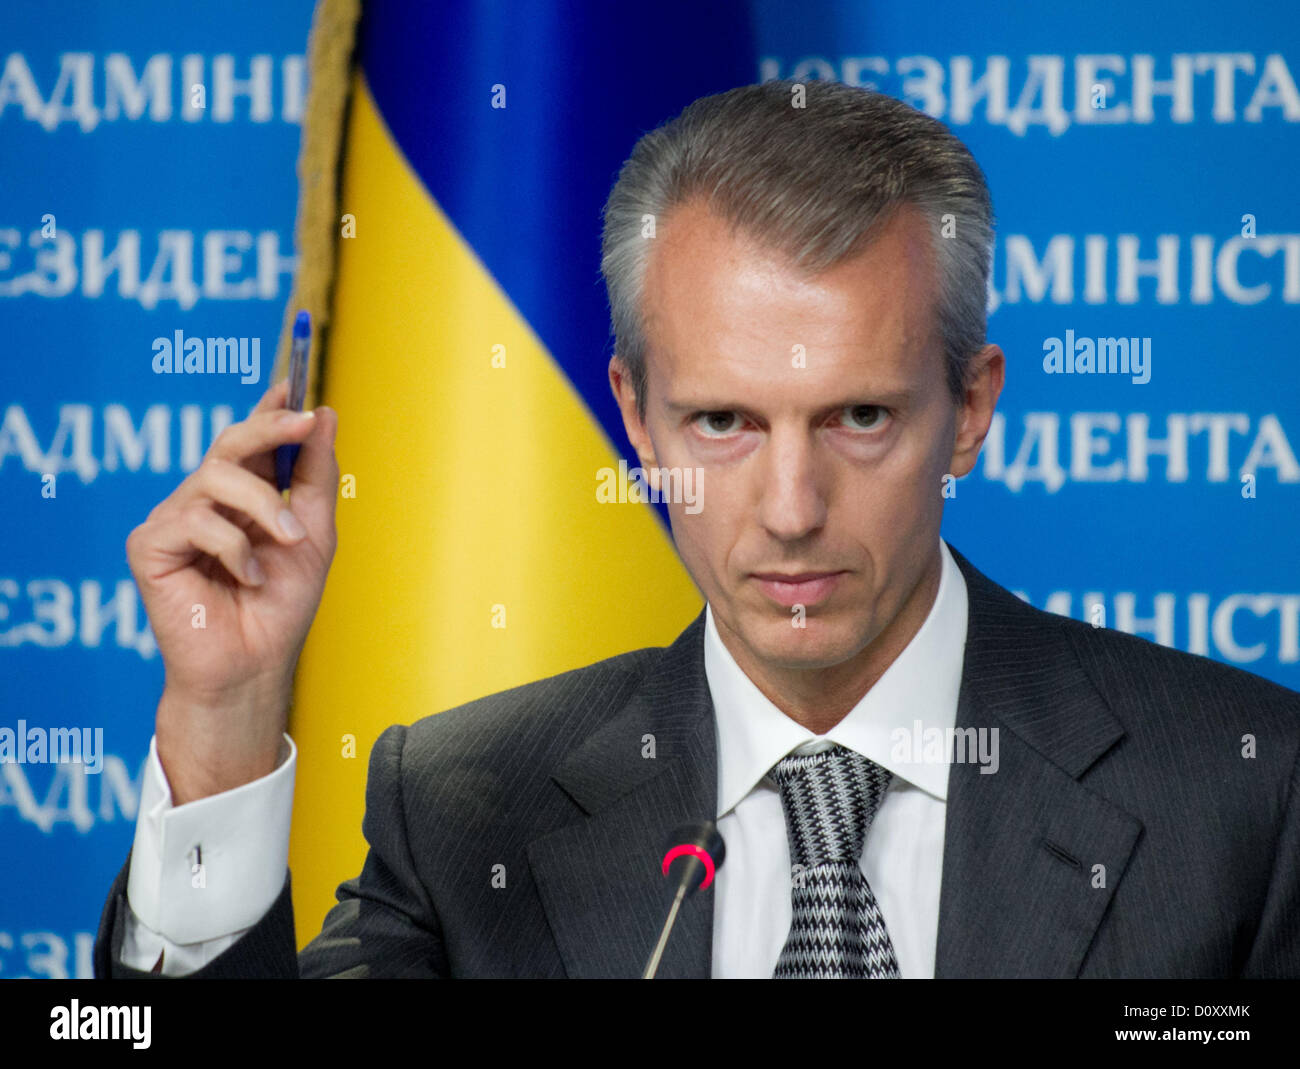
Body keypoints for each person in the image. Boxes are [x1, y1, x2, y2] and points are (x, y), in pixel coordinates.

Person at [94, 80, 1300, 979]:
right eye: (722, 420)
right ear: (635, 416)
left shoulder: (1242, 792)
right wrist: (223, 721)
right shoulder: (466, 813)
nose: (789, 510)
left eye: (861, 417)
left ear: (970, 409)